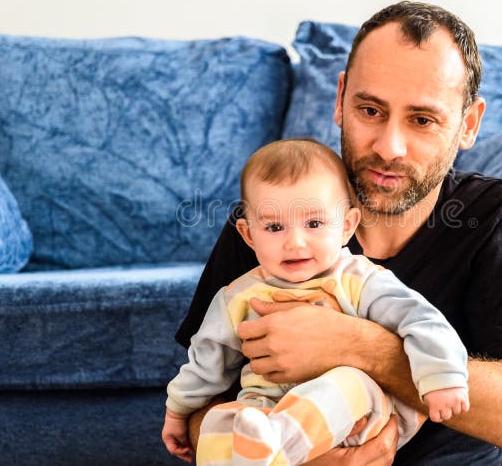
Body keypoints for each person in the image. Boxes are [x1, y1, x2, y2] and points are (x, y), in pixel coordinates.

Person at [175, 1, 502, 465]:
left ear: (468, 124)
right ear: (340, 98)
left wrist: (361, 347)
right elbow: (194, 416)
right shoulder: (275, 219)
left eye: (422, 120)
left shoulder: (497, 219)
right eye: (370, 110)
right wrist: (294, 453)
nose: (389, 147)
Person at [163, 138, 471, 465]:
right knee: (219, 421)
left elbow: (421, 319)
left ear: (346, 226)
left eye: (314, 223)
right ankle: (266, 446)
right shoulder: (239, 295)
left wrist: (443, 377)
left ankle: (272, 449)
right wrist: (177, 410)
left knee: (350, 384)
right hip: (266, 409)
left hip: (355, 418)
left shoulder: (359, 280)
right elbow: (206, 358)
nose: (295, 242)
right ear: (249, 234)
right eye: (274, 227)